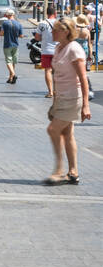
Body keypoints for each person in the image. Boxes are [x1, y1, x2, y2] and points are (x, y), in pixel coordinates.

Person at [45, 17, 91, 184]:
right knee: (67, 133)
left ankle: (59, 169)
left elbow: (83, 79)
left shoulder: (74, 49)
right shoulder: (59, 48)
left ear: (65, 32)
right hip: (61, 97)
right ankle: (73, 172)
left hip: (72, 97)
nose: (52, 32)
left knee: (52, 130)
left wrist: (86, 105)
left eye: (55, 30)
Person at [37, 6, 58, 97]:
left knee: (48, 70)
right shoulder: (59, 23)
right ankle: (57, 91)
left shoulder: (42, 23)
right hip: (58, 51)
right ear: (55, 13)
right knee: (57, 72)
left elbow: (37, 37)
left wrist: (44, 38)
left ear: (47, 14)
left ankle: (50, 92)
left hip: (46, 51)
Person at [1, 7, 23, 84]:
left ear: (7, 15)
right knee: (13, 61)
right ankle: (11, 78)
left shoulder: (5, 23)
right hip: (15, 44)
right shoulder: (19, 24)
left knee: (8, 61)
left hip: (7, 44)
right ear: (13, 15)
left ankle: (13, 74)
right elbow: (21, 35)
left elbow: (1, 34)